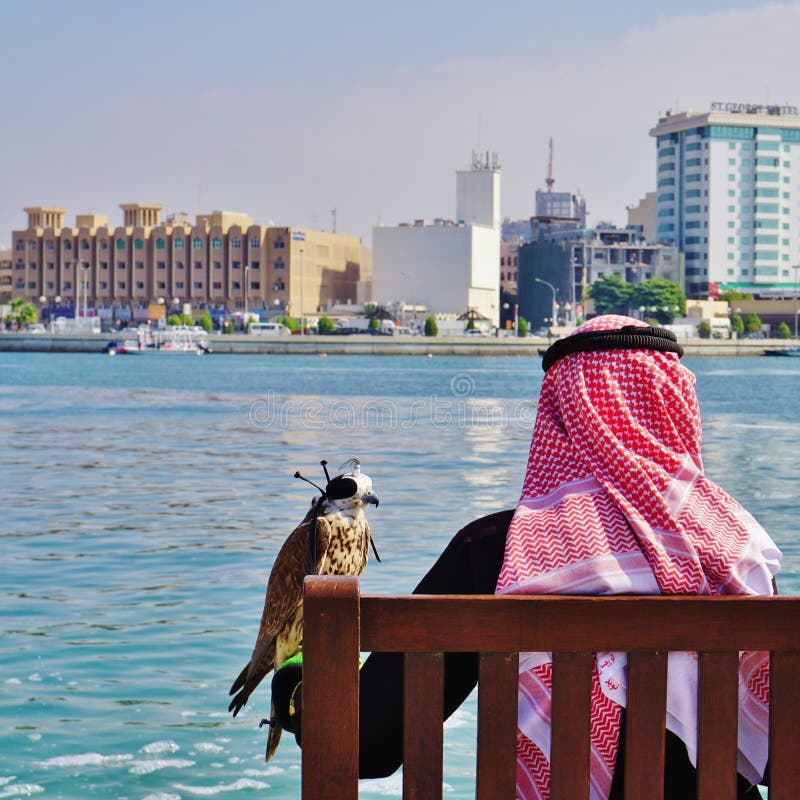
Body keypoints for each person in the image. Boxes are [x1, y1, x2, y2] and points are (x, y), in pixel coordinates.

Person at [269, 314, 781, 799]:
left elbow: (368, 746)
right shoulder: (738, 551)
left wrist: (295, 684)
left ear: (559, 416)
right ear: (675, 407)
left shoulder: (497, 552)